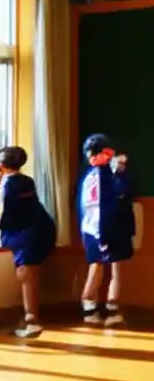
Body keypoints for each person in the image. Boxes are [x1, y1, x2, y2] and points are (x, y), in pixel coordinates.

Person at [0, 146, 56, 338]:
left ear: (1, 165)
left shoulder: (7, 186)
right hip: (42, 230)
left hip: (27, 235)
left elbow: (2, 216)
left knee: (26, 276)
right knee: (29, 276)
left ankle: (31, 320)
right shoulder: (25, 181)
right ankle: (30, 318)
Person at [79, 134, 132, 326]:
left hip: (95, 229)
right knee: (104, 266)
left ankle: (102, 307)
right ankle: (97, 306)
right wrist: (120, 172)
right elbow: (110, 201)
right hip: (102, 229)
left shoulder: (91, 175)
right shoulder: (102, 175)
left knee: (103, 266)